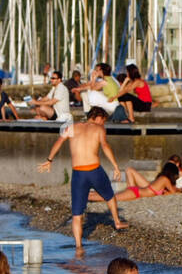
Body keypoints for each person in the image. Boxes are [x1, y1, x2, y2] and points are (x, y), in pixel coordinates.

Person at [37, 105, 127, 249]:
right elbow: (105, 146)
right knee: (109, 196)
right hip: (94, 170)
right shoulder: (99, 129)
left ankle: (78, 247)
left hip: (78, 173)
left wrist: (49, 160)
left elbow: (59, 142)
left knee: (77, 215)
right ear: (98, 117)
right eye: (103, 120)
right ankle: (116, 221)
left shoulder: (72, 127)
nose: (103, 124)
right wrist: (116, 166)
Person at [101, 162, 181, 202]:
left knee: (110, 197)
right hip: (136, 192)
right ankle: (89, 196)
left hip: (136, 191)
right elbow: (173, 192)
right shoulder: (165, 180)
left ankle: (89, 195)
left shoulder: (162, 178)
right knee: (110, 198)